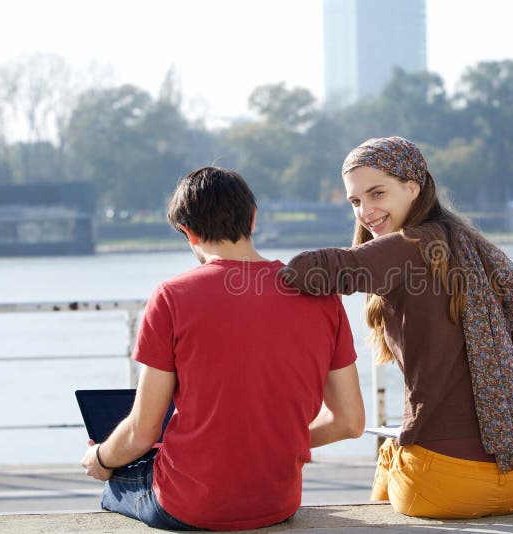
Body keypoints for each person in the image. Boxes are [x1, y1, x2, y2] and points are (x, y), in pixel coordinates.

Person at [80, 166, 365, 531]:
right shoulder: (321, 296)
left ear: (188, 231)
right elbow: (350, 422)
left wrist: (101, 459)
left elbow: (142, 432)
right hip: (277, 503)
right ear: (254, 217)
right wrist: (267, 444)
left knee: (115, 484)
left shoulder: (171, 297)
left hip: (191, 507)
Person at [281, 136, 513, 519]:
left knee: (392, 454)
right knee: (399, 449)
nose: (366, 211)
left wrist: (256, 275)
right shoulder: (470, 245)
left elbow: (310, 271)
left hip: (450, 485)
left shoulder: (411, 245)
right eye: (355, 202)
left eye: (377, 194)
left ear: (413, 186)